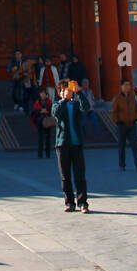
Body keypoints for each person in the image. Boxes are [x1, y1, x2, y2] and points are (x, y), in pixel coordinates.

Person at [52, 80, 90, 212]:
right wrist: (64, 100)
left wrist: (79, 92)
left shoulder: (76, 104)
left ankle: (83, 202)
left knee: (80, 175)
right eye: (64, 90)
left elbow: (86, 107)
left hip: (77, 143)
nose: (67, 92)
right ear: (60, 93)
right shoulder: (57, 104)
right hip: (62, 144)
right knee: (65, 176)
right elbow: (56, 113)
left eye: (68, 90)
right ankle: (69, 202)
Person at [110, 79, 137, 171]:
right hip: (121, 125)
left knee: (135, 145)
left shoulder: (132, 97)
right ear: (121, 87)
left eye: (128, 85)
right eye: (125, 85)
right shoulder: (117, 98)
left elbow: (136, 109)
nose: (127, 87)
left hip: (132, 124)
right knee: (121, 146)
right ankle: (122, 164)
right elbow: (113, 112)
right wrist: (117, 121)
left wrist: (136, 118)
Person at [30, 86, 55, 158]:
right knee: (40, 138)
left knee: (48, 138)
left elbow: (52, 109)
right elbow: (34, 111)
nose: (43, 95)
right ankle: (40, 154)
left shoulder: (49, 101)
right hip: (40, 122)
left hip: (48, 122)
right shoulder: (37, 102)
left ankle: (48, 154)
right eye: (41, 93)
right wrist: (40, 111)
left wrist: (47, 111)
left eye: (44, 93)